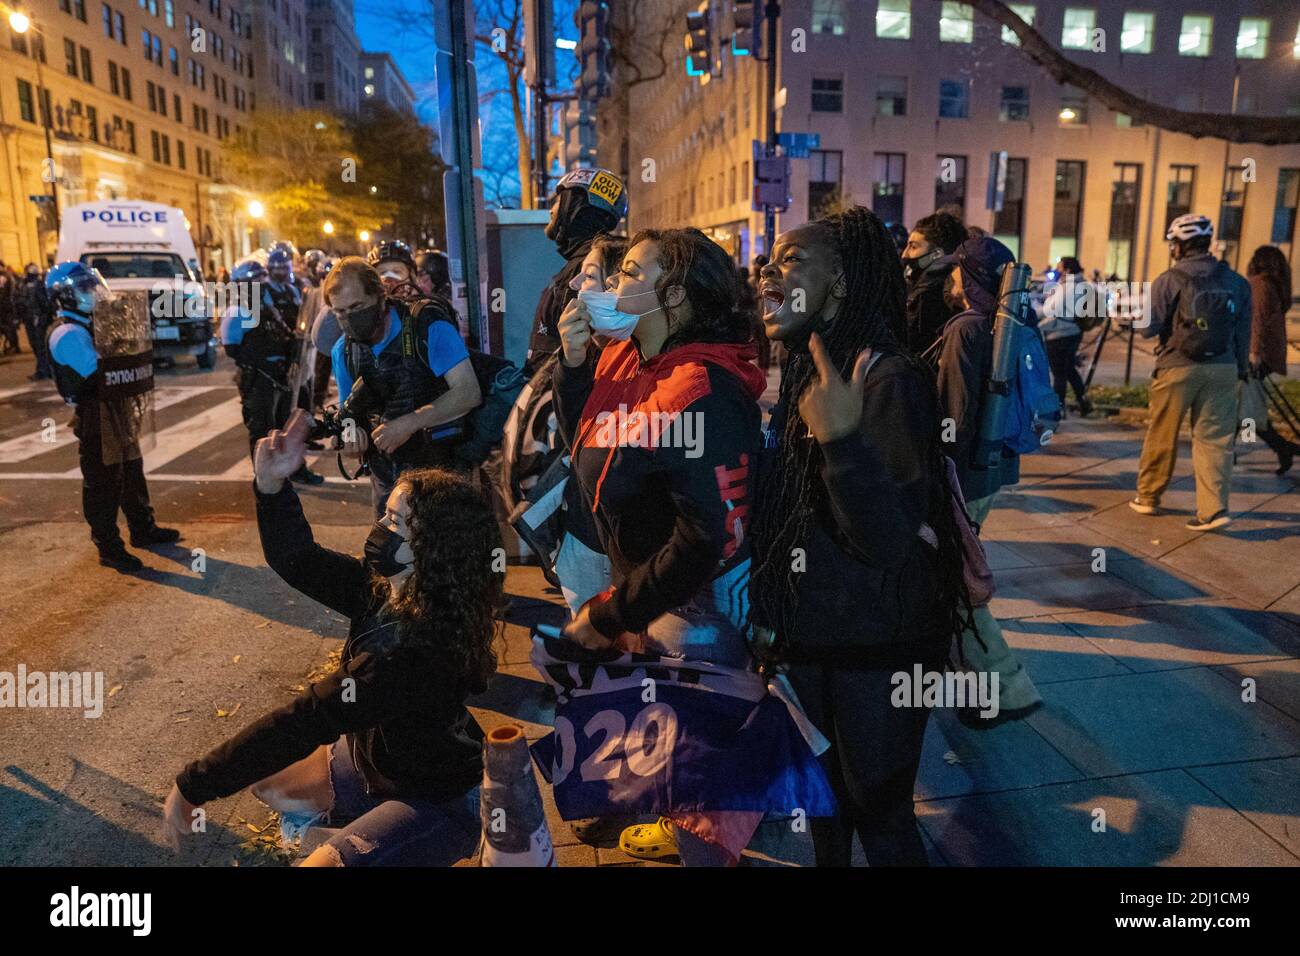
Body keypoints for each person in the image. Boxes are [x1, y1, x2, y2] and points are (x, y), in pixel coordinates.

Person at [162, 410, 500, 866]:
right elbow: (298, 559)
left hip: (437, 803)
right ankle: (358, 826)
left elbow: (308, 717)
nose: (382, 529)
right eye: (386, 514)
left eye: (399, 523)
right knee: (267, 782)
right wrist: (272, 486)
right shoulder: (391, 589)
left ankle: (393, 843)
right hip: (370, 765)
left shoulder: (414, 653)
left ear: (434, 552)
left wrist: (194, 785)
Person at [751, 207, 972, 866]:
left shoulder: (888, 378)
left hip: (882, 646)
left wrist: (843, 440)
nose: (767, 273)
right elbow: (784, 517)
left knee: (879, 811)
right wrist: (770, 622)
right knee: (824, 803)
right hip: (811, 639)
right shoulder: (804, 377)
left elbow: (886, 540)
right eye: (769, 261)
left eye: (790, 261)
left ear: (841, 284)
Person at [553, 227, 767, 866]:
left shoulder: (701, 389)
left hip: (690, 615)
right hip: (645, 593)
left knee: (700, 795)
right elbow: (587, 451)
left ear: (673, 295)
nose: (609, 284)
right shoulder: (626, 359)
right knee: (665, 761)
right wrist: (570, 370)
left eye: (629, 273)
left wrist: (613, 612)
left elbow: (708, 537)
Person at [936, 235, 1043, 724]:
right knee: (954, 580)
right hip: (994, 469)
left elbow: (953, 418)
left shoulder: (967, 329)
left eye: (955, 269)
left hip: (963, 477)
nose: (949, 278)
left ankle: (1008, 689)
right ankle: (971, 683)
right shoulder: (1011, 326)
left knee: (958, 587)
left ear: (970, 278)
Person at [45, 262, 180, 572]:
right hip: (95, 415)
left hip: (115, 410)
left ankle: (143, 528)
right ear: (65, 295)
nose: (93, 292)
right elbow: (99, 375)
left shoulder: (95, 323)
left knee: (132, 470)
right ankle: (108, 546)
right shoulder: (68, 331)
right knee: (102, 483)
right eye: (83, 288)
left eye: (92, 285)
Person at [323, 257, 481, 517]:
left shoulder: (426, 325)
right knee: (389, 557)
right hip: (387, 485)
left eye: (357, 306)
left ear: (380, 296)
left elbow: (468, 392)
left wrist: (408, 423)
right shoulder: (345, 351)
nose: (350, 318)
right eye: (340, 312)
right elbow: (347, 416)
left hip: (445, 477)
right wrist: (351, 440)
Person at [1131, 214, 1252, 531]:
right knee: (1215, 440)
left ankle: (1148, 497)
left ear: (1179, 246)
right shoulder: (1236, 281)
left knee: (1162, 433)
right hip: (1224, 368)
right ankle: (1213, 510)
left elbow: (1147, 328)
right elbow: (1243, 329)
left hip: (1177, 367)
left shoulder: (1169, 279)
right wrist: (1240, 368)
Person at [549, 234, 625, 617]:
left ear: (619, 288)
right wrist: (572, 361)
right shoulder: (591, 352)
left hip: (622, 545)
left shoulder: (649, 360)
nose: (576, 285)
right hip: (585, 534)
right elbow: (575, 437)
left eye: (590, 276)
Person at [221, 257, 322, 485]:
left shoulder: (270, 308)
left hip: (281, 374)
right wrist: (260, 362)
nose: (258, 284)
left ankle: (295, 469)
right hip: (259, 378)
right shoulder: (237, 311)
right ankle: (266, 478)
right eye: (251, 281)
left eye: (259, 279)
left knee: (288, 426)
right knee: (262, 429)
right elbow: (232, 348)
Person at [526, 167, 627, 370]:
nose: (551, 209)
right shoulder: (591, 264)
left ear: (575, 206)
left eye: (558, 200)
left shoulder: (589, 270)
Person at [1241, 245, 1298, 475]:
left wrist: (1253, 354)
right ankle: (1281, 448)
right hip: (1265, 356)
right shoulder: (1274, 285)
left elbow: (1257, 322)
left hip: (1256, 357)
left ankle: (1285, 448)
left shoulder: (1260, 285)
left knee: (1245, 410)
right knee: (1246, 409)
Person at [901, 211, 966, 357]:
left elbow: (909, 343)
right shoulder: (952, 285)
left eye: (913, 247)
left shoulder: (927, 292)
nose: (905, 254)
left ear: (936, 254)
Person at [1039, 257, 1095, 415]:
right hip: (1075, 332)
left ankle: (1058, 408)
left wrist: (1036, 324)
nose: (1056, 271)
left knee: (1059, 373)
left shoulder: (1067, 287)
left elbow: (1052, 312)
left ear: (1068, 270)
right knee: (1069, 368)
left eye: (1059, 268)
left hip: (1059, 334)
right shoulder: (1083, 284)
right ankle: (1083, 401)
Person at [17, 263, 53, 381]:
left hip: (37, 320)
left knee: (40, 346)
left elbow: (44, 304)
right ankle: (45, 369)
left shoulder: (39, 285)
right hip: (30, 319)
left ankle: (43, 370)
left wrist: (43, 318)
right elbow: (21, 301)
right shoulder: (25, 285)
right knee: (35, 345)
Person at [366, 239, 422, 305]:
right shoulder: (367, 312)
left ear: (411, 275)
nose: (389, 276)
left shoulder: (426, 309)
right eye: (382, 273)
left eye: (397, 271)